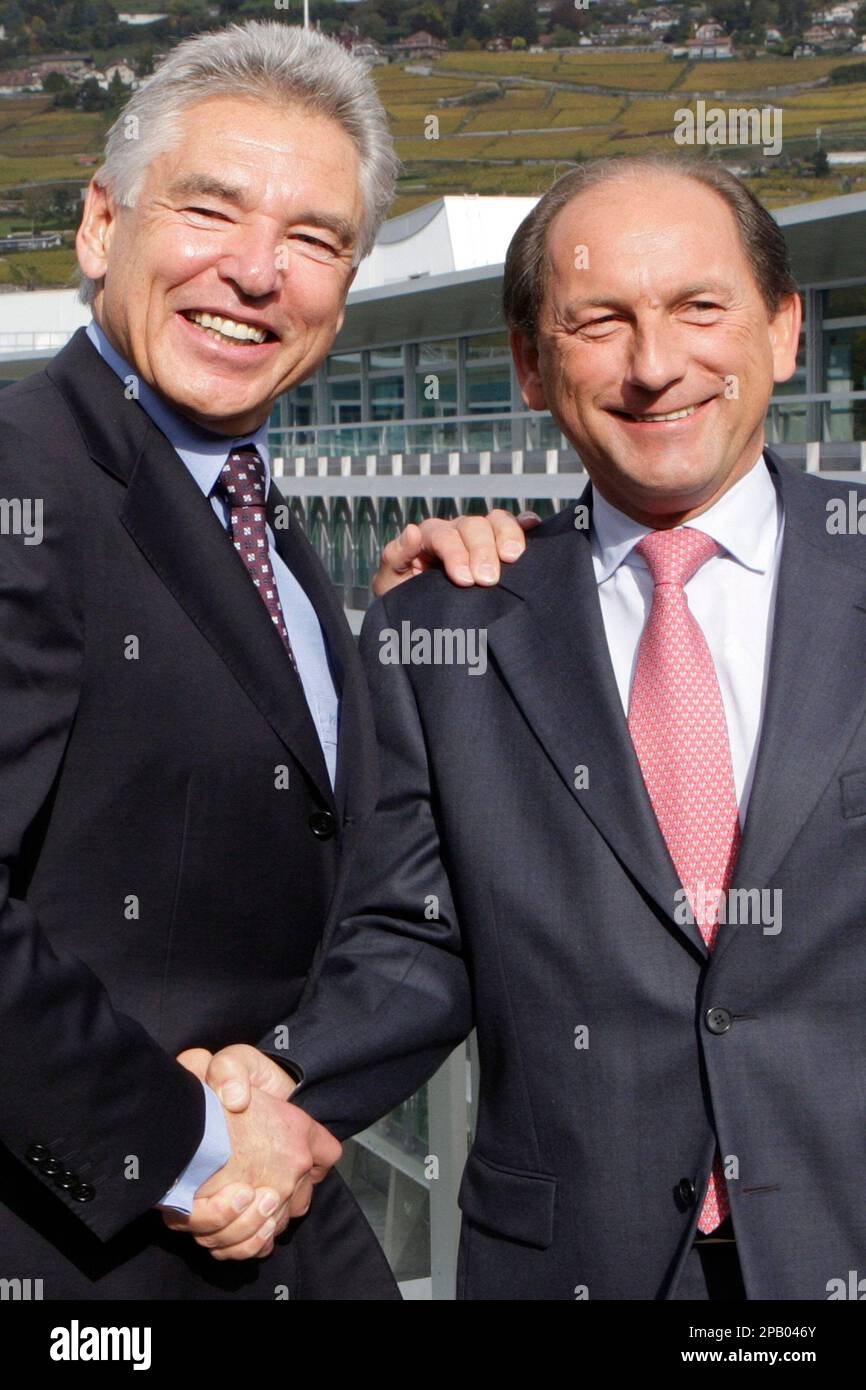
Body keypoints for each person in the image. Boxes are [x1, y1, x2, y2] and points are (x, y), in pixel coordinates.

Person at [203, 153, 866, 1299]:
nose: (655, 367)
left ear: (783, 330)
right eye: (599, 322)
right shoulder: (443, 635)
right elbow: (412, 944)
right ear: (528, 364)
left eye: (698, 308)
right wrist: (275, 1088)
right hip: (571, 1262)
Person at [0, 21, 529, 1300]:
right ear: (99, 227)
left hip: (272, 1220)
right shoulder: (26, 477)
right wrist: (188, 1146)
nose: (255, 273)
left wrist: (397, 660)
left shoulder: (259, 523)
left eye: (312, 239)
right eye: (211, 211)